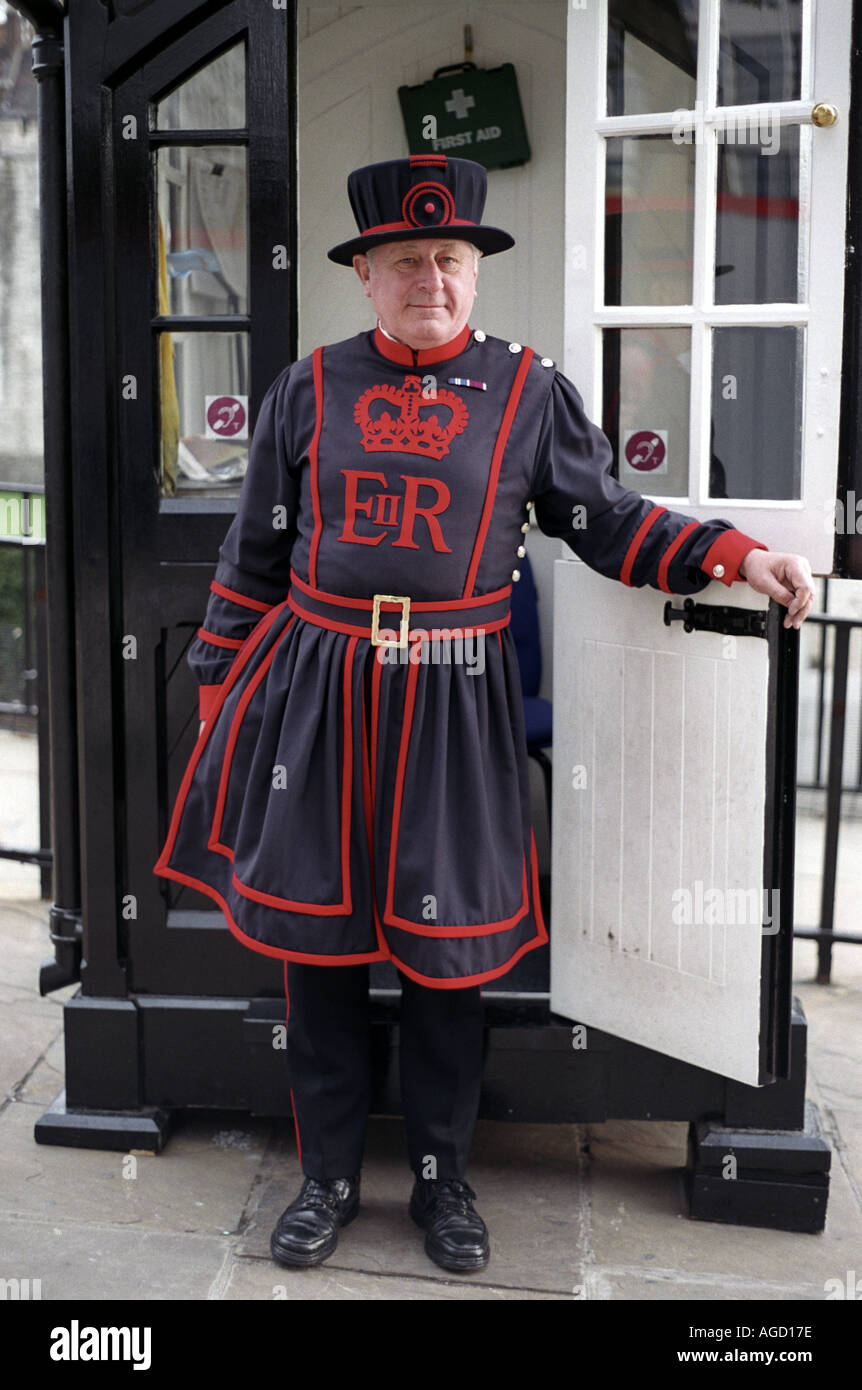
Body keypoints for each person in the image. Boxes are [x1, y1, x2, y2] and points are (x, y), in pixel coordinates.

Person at [154, 155, 815, 1275]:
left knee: (446, 959)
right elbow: (250, 558)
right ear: (365, 275)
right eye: (404, 261)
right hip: (319, 699)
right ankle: (322, 1179)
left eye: (449, 260)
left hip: (457, 707)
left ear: (475, 274)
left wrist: (736, 554)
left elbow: (605, 521)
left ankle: (439, 1180)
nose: (430, 279)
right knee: (316, 956)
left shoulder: (525, 393)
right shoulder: (305, 390)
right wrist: (223, 703)